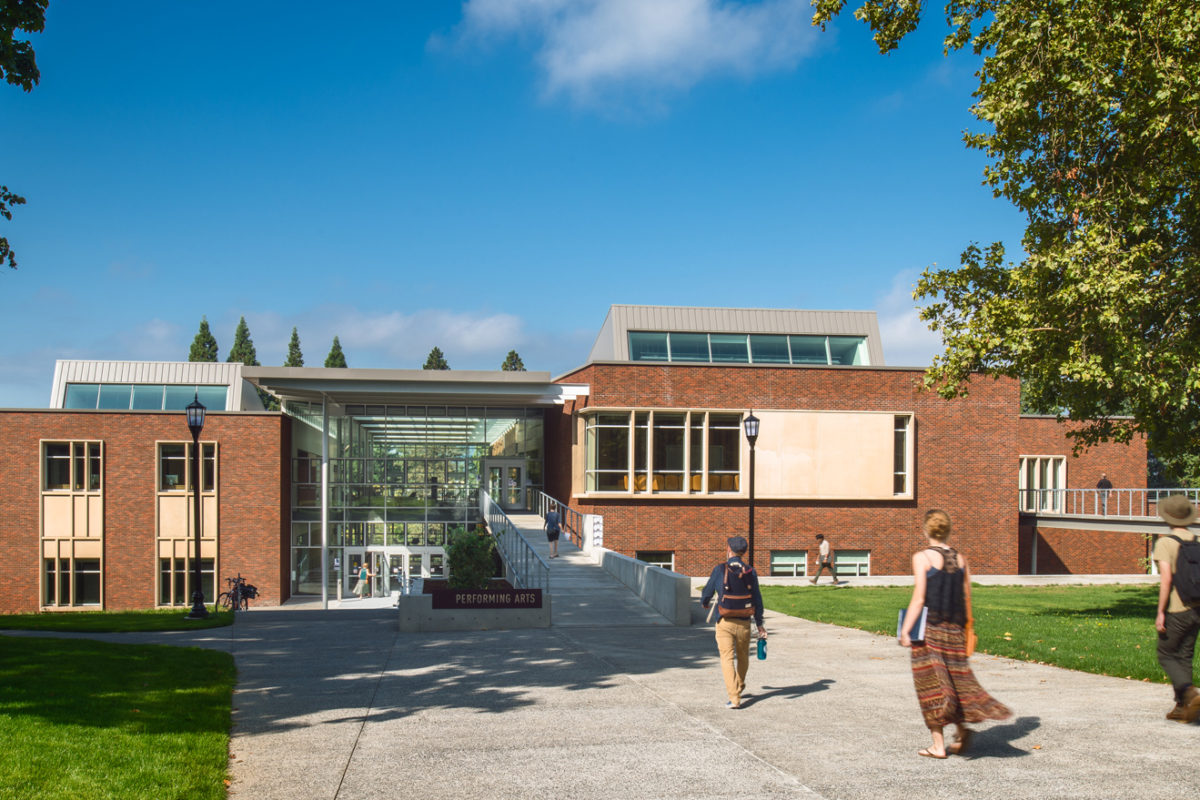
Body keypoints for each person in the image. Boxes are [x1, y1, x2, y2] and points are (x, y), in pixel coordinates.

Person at [900, 509, 1011, 758]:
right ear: (948, 530)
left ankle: (938, 745)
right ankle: (961, 731)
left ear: (925, 530)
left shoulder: (922, 557)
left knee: (931, 687)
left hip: (930, 630)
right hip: (956, 630)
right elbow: (966, 595)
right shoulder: (961, 558)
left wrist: (906, 629)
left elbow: (919, 598)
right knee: (956, 684)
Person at [701, 536, 767, 709]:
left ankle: (734, 697)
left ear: (729, 549)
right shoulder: (750, 571)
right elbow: (757, 599)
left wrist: (705, 602)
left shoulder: (720, 569)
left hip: (724, 620)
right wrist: (759, 623)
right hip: (744, 621)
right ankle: (739, 685)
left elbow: (707, 591)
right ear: (743, 552)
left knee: (727, 659)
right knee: (743, 656)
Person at [1152, 494, 1200, 722]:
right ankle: (1183, 707)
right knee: (1185, 656)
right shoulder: (1196, 541)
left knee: (1166, 654)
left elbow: (1166, 581)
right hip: (1197, 609)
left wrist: (1161, 611)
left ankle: (1189, 692)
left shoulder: (1165, 543)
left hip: (1177, 610)